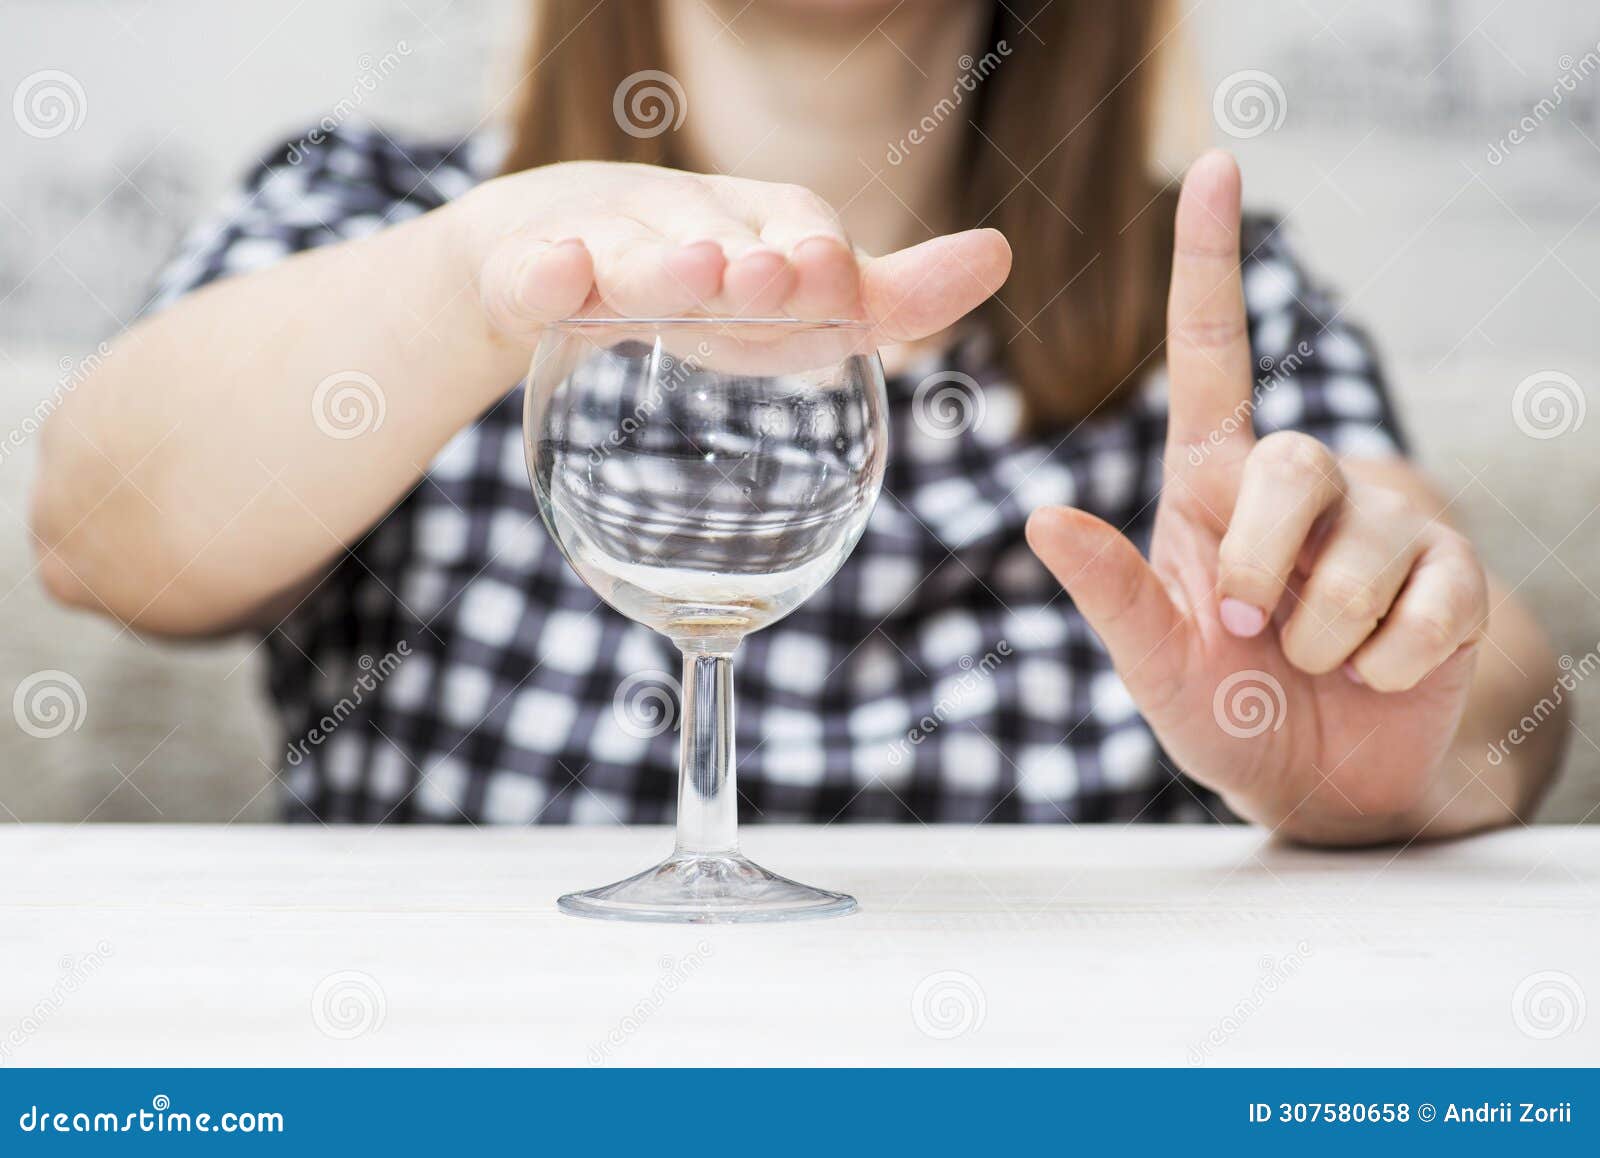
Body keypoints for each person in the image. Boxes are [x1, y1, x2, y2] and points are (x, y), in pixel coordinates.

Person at [31, 0, 1564, 841]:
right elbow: (92, 533)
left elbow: (1504, 687)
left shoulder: (1222, 311)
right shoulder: (375, 218)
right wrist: (472, 281)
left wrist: (1406, 717)